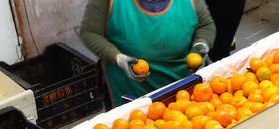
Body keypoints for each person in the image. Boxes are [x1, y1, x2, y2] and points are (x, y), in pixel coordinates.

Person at [81, 0, 217, 107]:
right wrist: (118, 58)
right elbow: (90, 32)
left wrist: (201, 43)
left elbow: (205, 25)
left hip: (183, 88)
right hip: (131, 92)